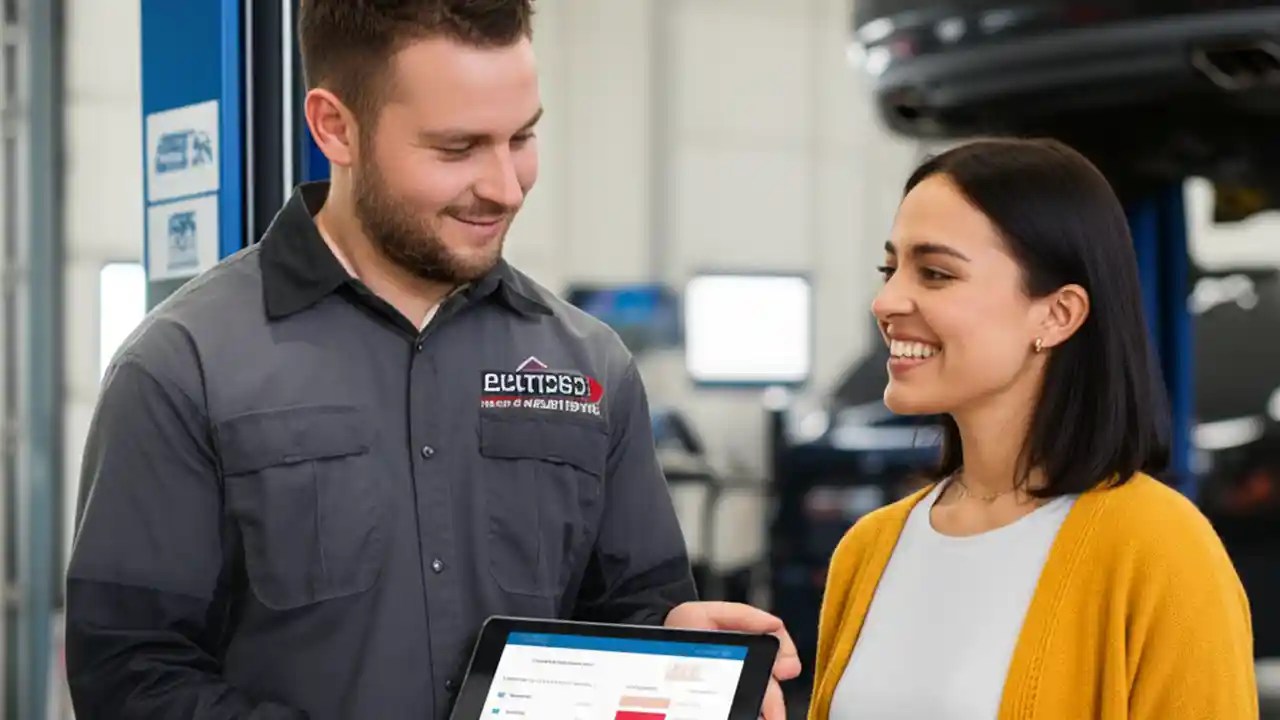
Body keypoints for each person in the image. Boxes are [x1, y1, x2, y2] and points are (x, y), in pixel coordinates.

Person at [64, 2, 798, 718]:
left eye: (522, 139)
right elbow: (129, 673)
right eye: (458, 148)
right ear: (335, 127)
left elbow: (631, 610)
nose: (506, 187)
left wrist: (673, 658)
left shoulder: (589, 366)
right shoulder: (182, 367)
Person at [808, 138, 1258, 719]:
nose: (887, 300)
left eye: (936, 273)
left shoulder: (1160, 551)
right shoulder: (867, 550)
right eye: (890, 269)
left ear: (1057, 314)